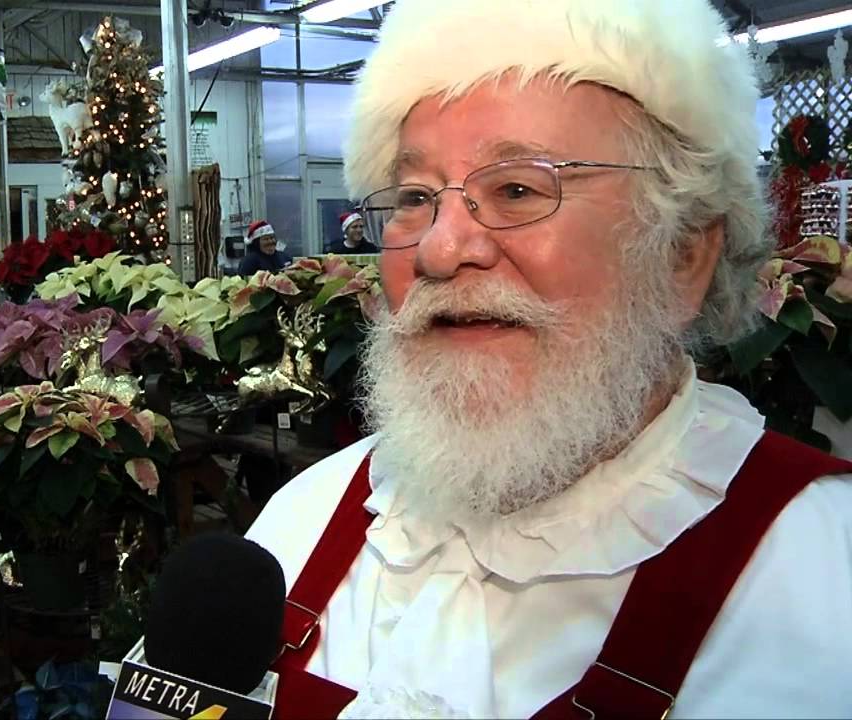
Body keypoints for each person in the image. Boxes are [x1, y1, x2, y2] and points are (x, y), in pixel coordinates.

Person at [246, 1, 852, 718]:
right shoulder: (306, 519)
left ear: (683, 256)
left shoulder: (820, 584)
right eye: (413, 197)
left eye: (516, 189)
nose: (440, 251)